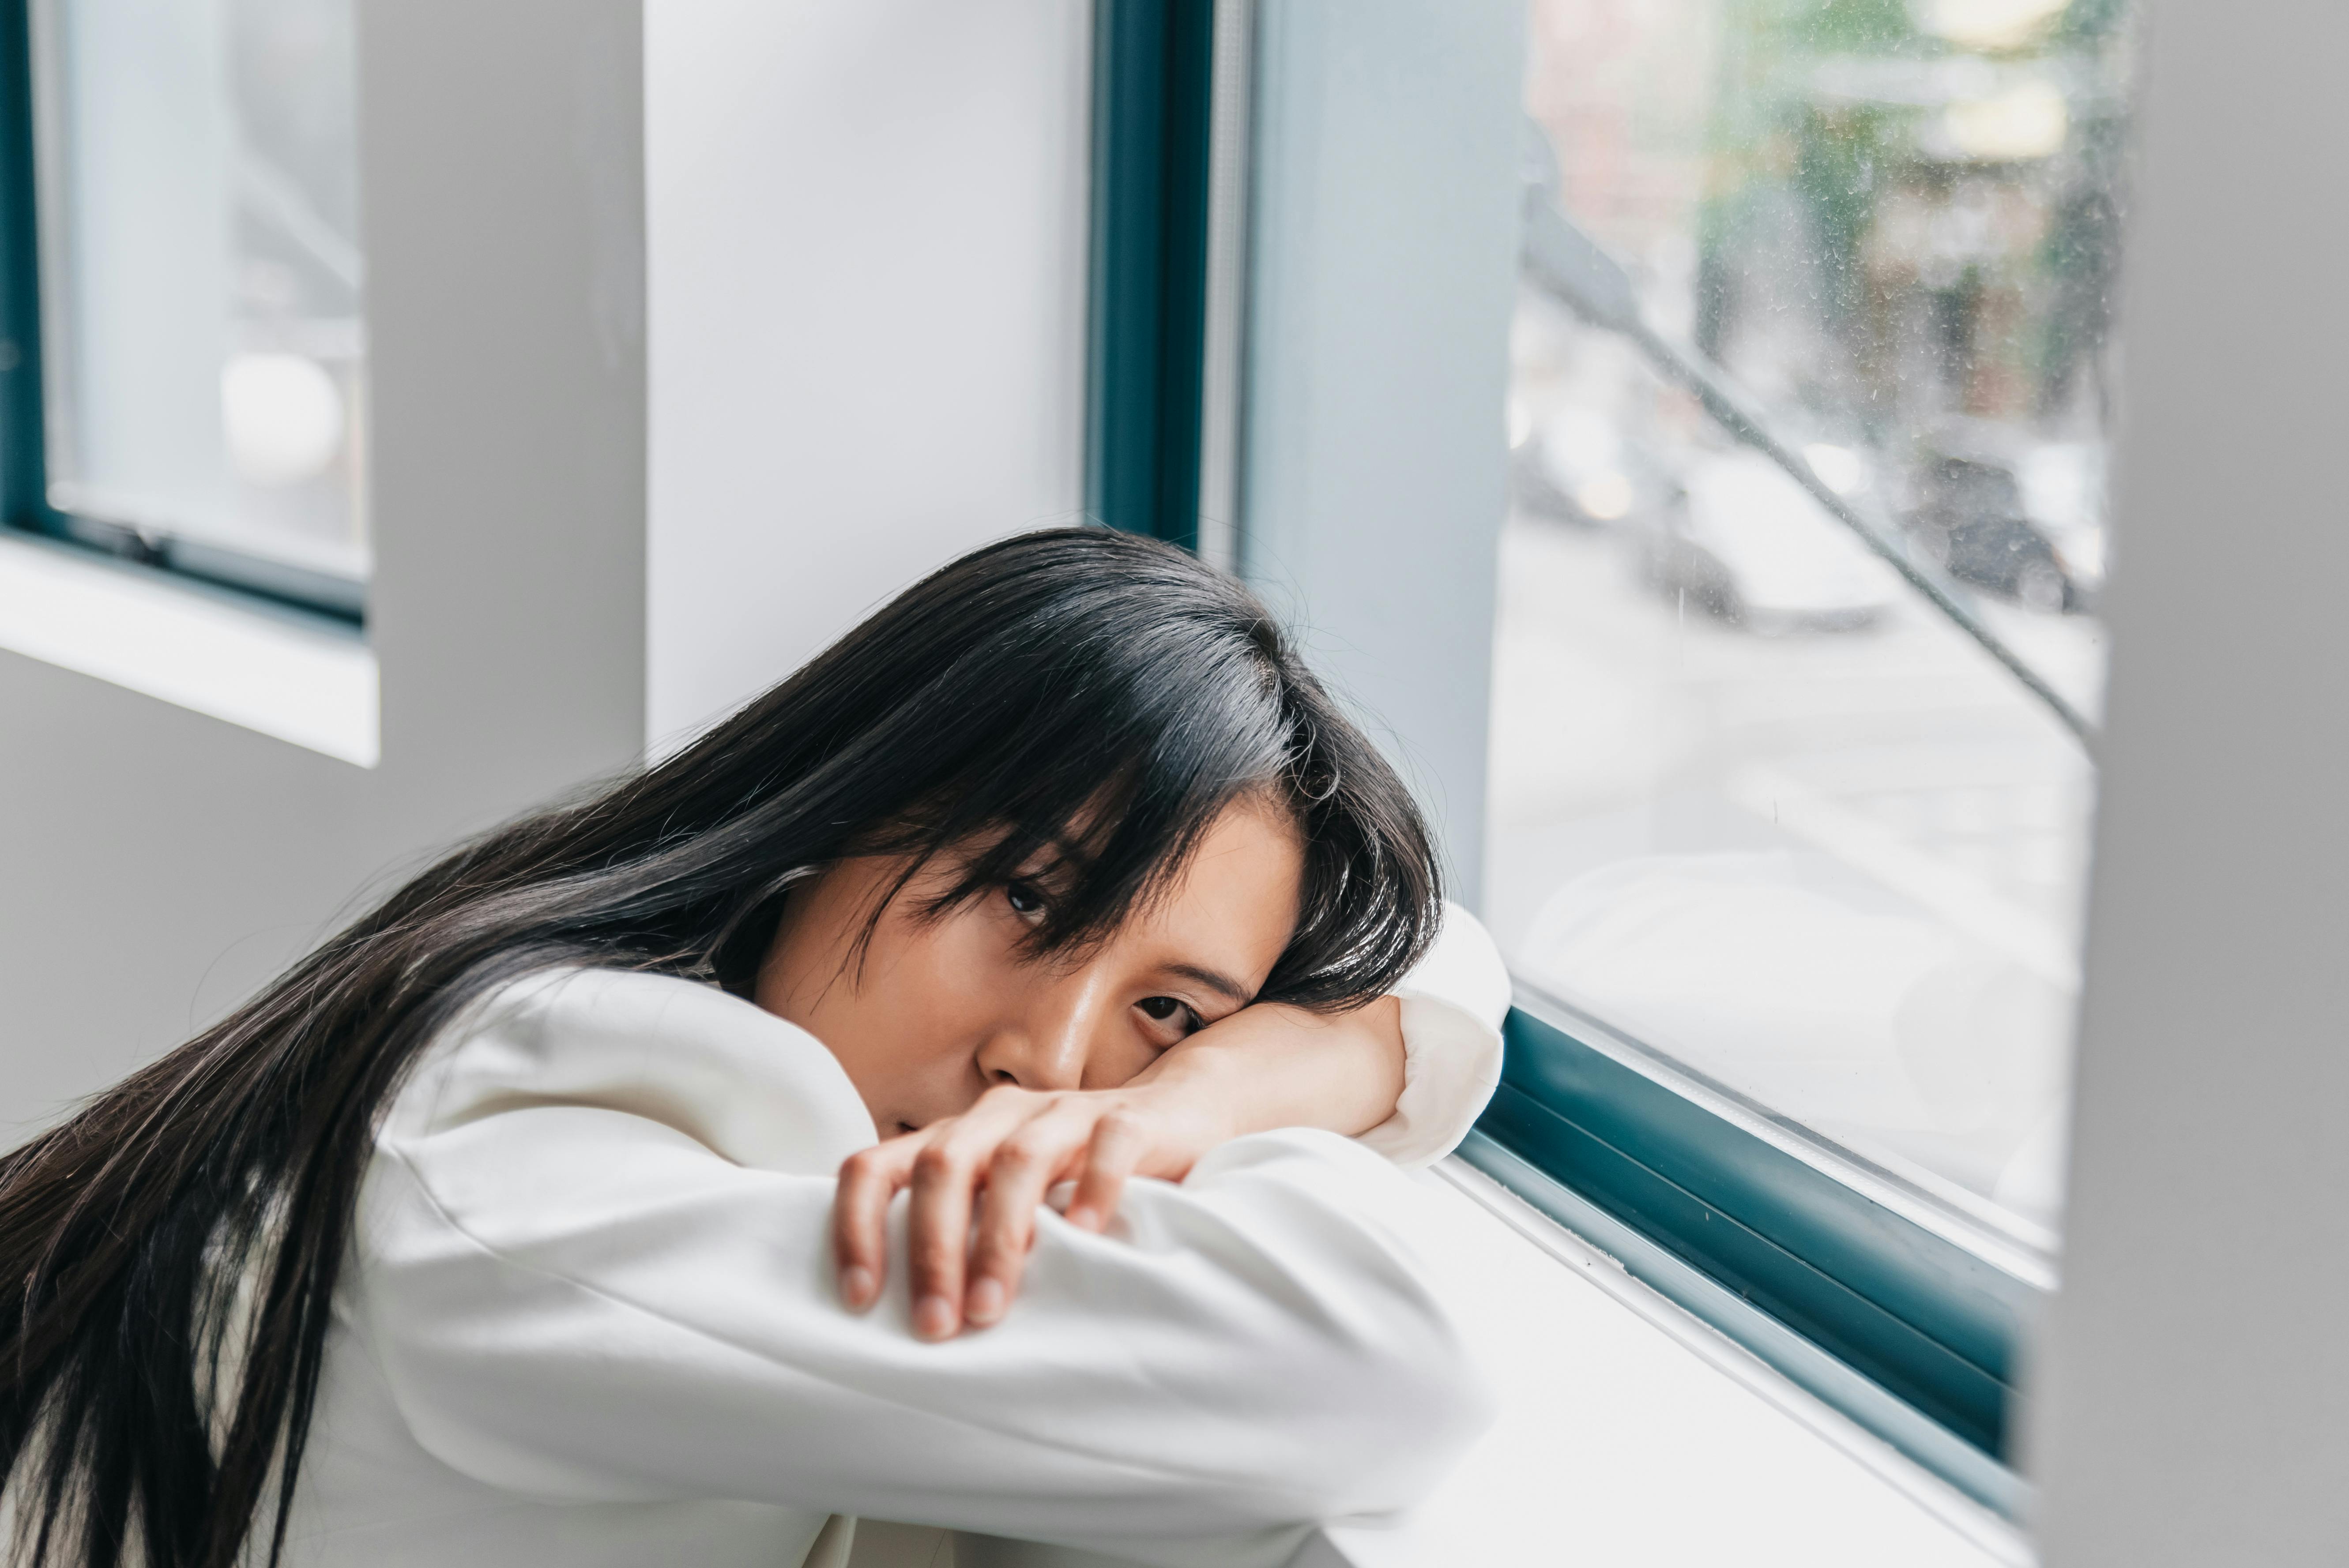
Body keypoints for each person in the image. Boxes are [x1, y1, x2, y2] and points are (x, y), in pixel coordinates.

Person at [0, 529, 1508, 1568]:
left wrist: (1209, 1087)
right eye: (1025, 897)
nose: (1050, 1059)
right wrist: (1206, 1080)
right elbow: (1386, 1367)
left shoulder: (552, 994)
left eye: (1165, 1006)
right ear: (838, 807)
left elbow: (1445, 955)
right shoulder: (538, 1174)